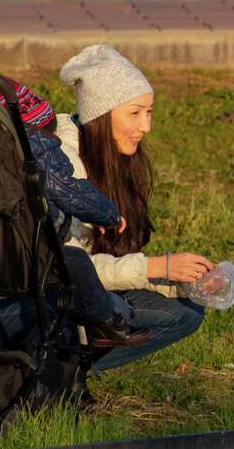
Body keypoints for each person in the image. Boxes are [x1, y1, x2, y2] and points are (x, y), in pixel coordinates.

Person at [50, 44, 217, 372]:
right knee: (126, 311)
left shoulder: (114, 156)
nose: (146, 126)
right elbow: (66, 269)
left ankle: (68, 367)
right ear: (101, 115)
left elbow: (111, 259)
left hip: (86, 290)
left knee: (186, 311)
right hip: (50, 294)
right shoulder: (66, 168)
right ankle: (55, 369)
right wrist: (157, 267)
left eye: (149, 112)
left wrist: (180, 281)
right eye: (135, 113)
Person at [0, 80, 148, 348]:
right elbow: (71, 191)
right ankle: (107, 322)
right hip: (30, 262)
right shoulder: (40, 147)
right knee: (77, 264)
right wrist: (108, 214)